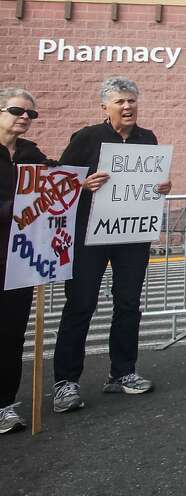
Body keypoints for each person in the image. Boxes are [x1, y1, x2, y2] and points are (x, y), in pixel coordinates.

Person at [52, 77, 170, 414]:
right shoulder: (86, 138)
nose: (128, 107)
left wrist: (160, 186)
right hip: (90, 236)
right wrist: (84, 184)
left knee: (129, 304)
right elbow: (61, 183)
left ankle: (123, 372)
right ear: (105, 106)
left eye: (132, 101)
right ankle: (66, 382)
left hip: (131, 235)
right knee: (80, 306)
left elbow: (148, 180)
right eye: (120, 102)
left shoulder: (148, 139)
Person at [0, 88, 72, 433]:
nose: (25, 117)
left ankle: (4, 403)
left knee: (12, 334)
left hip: (18, 260)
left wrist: (79, 182)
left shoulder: (32, 155)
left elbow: (57, 183)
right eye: (17, 111)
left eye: (31, 114)